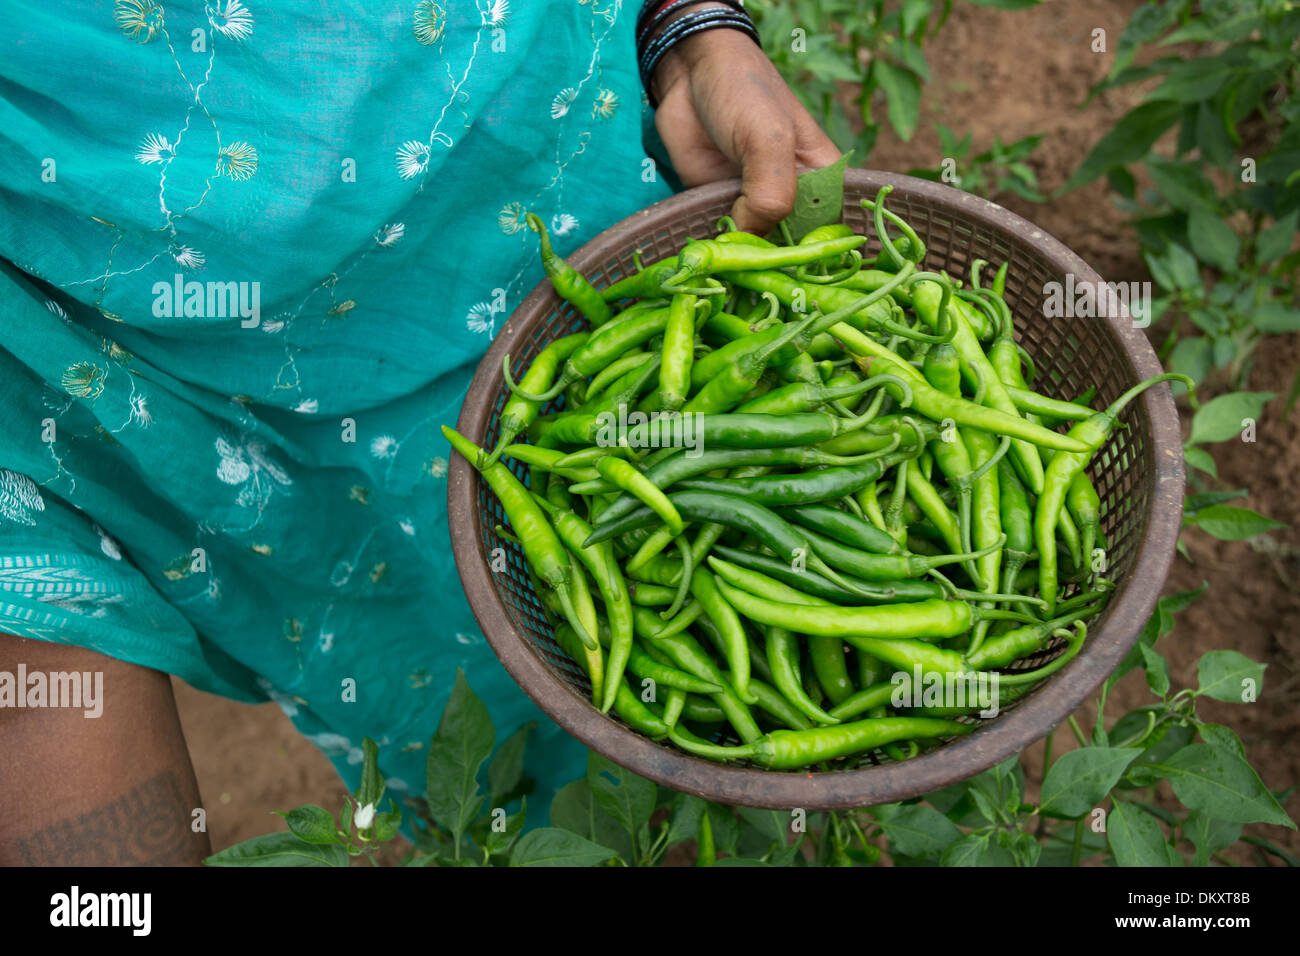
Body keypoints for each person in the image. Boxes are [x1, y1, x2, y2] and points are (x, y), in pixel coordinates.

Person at [0, 0, 839, 864]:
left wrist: (685, 30)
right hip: (183, 373)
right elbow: (33, 699)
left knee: (681, 532)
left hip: (556, 147)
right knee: (473, 655)